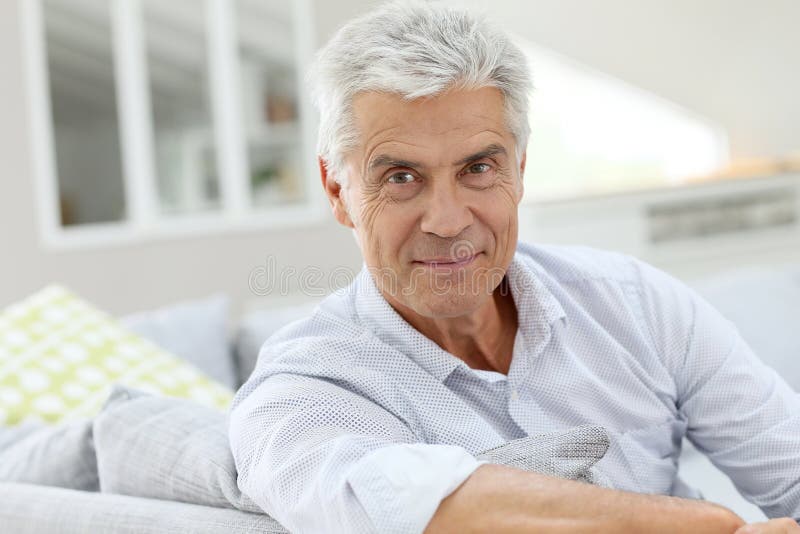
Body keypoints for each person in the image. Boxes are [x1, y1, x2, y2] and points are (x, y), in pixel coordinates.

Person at [228, 2, 800, 532]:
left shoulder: (634, 302)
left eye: (478, 168)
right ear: (336, 189)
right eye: (401, 178)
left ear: (520, 169)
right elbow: (401, 507)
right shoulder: (301, 390)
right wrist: (711, 527)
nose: (448, 221)